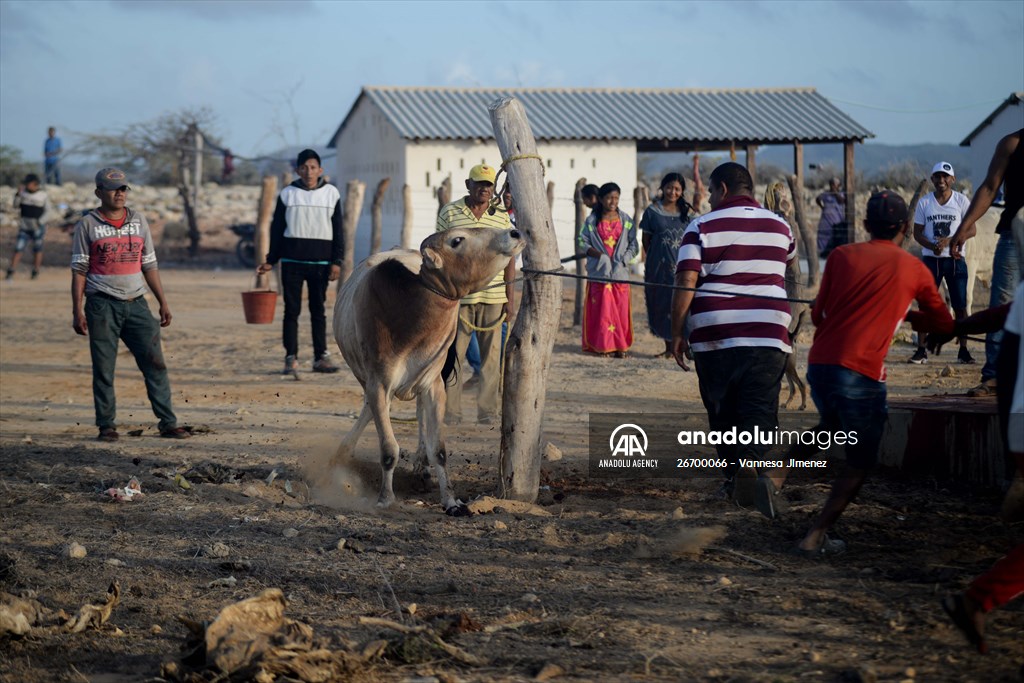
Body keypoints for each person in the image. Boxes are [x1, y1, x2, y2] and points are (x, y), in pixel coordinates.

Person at [755, 191, 955, 557]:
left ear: (865, 225)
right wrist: (907, 314)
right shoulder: (913, 268)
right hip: (861, 374)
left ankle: (778, 472)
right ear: (907, 229)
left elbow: (817, 317)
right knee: (861, 461)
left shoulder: (842, 256)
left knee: (830, 429)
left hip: (821, 367)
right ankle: (815, 536)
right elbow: (943, 322)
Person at [671, 162, 796, 505]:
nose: (709, 199)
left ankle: (734, 477)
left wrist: (676, 332)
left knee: (722, 409)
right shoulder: (781, 226)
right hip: (769, 333)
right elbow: (788, 265)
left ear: (723, 189)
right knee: (759, 409)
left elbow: (685, 281)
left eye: (710, 191)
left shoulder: (700, 226)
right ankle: (755, 473)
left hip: (716, 335)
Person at [70, 167, 191, 442]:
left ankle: (168, 422)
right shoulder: (87, 224)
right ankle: (107, 425)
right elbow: (79, 270)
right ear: (99, 192)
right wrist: (77, 310)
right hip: (101, 305)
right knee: (104, 367)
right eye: (114, 189)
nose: (120, 193)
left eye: (124, 189)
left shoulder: (138, 221)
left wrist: (163, 301)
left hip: (137, 304)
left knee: (155, 363)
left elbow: (149, 264)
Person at [436, 164, 515, 425]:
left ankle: (487, 412)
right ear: (468, 184)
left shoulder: (501, 215)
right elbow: (440, 253)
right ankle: (452, 412)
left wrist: (509, 296)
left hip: (493, 298)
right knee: (453, 355)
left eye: (489, 185)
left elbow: (510, 255)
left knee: (492, 359)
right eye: (479, 183)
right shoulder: (450, 212)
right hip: (458, 297)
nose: (484, 189)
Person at [950, 129, 1023, 397]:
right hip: (1015, 232)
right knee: (1002, 300)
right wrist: (965, 226)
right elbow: (990, 187)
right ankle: (994, 375)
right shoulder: (1012, 143)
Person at [257, 149, 343, 375]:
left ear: (320, 170)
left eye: (313, 167)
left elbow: (338, 231)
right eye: (304, 167)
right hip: (292, 261)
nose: (309, 172)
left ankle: (320, 357)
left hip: (321, 263)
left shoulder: (331, 194)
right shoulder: (287, 194)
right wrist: (271, 259)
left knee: (318, 311)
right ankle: (290, 357)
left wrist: (336, 261)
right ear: (297, 170)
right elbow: (276, 230)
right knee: (291, 311)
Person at [908, 162, 974, 365]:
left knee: (960, 305)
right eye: (937, 177)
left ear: (952, 179)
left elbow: (972, 230)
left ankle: (963, 350)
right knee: (925, 304)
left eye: (945, 177)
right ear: (932, 179)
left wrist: (951, 240)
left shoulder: (962, 201)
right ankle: (921, 350)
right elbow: (917, 233)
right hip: (931, 260)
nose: (941, 180)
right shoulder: (925, 203)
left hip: (954, 260)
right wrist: (931, 244)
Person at [579, 182, 637, 358]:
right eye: (609, 198)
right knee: (602, 312)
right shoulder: (591, 221)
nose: (613, 201)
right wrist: (599, 255)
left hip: (620, 274)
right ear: (602, 199)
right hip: (599, 273)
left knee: (620, 311)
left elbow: (634, 244)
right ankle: (604, 346)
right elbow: (582, 242)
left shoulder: (626, 220)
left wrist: (624, 260)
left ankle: (620, 347)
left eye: (616, 198)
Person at [641, 172, 693, 358]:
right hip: (659, 268)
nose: (673, 192)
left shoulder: (688, 213)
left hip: (684, 268)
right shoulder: (652, 212)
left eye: (677, 189)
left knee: (685, 304)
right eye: (669, 187)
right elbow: (646, 240)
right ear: (662, 188)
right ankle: (670, 348)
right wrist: (659, 257)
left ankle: (684, 346)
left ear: (682, 191)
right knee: (663, 304)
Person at [6, 173, 49, 280]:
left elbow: (49, 211)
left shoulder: (43, 195)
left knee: (37, 249)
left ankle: (35, 270)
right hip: (24, 226)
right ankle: (11, 270)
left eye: (28, 183)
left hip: (38, 227)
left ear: (35, 184)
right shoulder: (23, 194)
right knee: (18, 248)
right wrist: (17, 194)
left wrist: (40, 221)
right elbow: (15, 205)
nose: (27, 185)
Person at [815, 177, 846, 257]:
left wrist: (835, 192)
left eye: (835, 184)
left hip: (837, 222)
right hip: (826, 221)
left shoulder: (841, 194)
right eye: (831, 184)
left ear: (838, 186)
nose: (833, 186)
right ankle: (823, 254)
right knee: (822, 238)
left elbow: (841, 201)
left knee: (836, 239)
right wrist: (822, 207)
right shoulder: (826, 194)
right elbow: (818, 198)